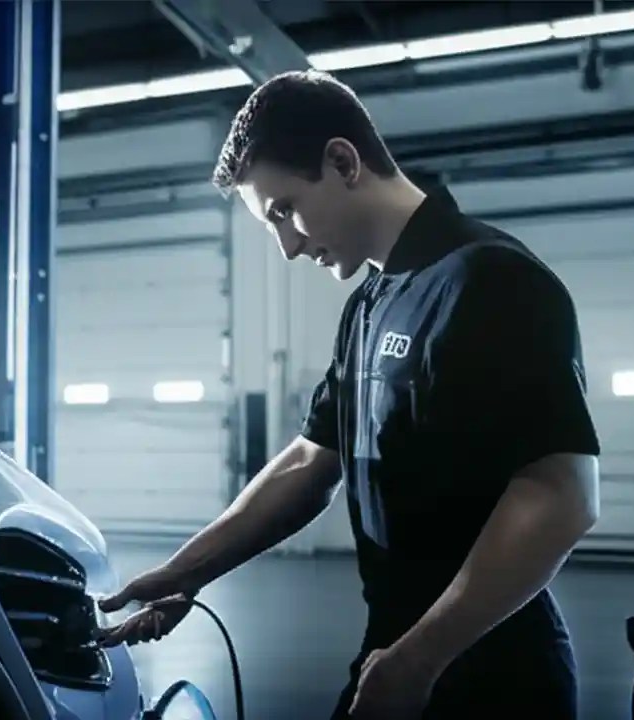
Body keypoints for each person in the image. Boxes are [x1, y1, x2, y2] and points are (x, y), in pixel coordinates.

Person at [96, 70, 602, 720]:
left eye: (284, 210)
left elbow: (562, 495)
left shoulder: (492, 280)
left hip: (490, 673)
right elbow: (313, 462)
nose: (286, 246)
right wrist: (186, 572)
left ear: (342, 161)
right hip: (393, 657)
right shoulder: (369, 302)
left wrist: (422, 657)